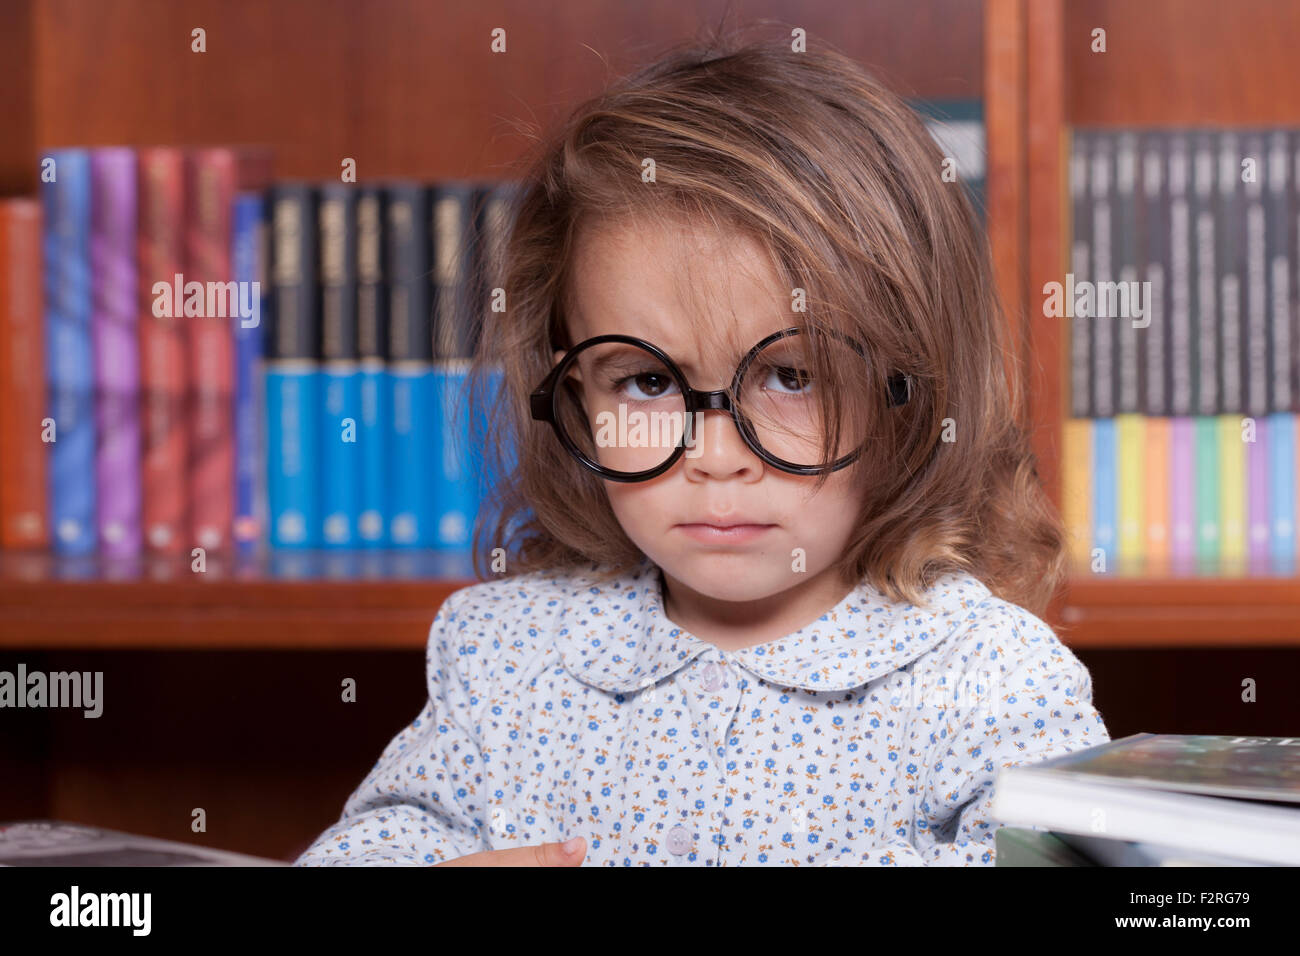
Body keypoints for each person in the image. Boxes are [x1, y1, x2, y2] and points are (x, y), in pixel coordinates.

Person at [296, 29, 1109, 867]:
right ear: (572, 389)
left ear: (910, 390)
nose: (716, 455)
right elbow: (369, 847)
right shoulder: (507, 656)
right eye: (646, 383)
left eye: (792, 376)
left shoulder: (987, 678)